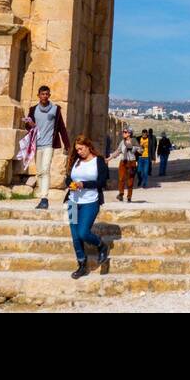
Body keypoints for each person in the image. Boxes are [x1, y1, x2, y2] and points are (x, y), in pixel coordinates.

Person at [63, 134, 110, 279]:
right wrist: (70, 184)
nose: (79, 152)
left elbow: (102, 182)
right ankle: (82, 264)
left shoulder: (98, 161)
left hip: (90, 201)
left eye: (81, 149)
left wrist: (84, 184)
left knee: (83, 233)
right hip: (73, 202)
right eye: (77, 150)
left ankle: (101, 245)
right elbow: (68, 178)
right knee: (75, 237)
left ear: (88, 147)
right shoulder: (75, 161)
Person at [24, 85, 71, 209]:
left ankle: (44, 198)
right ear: (38, 95)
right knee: (39, 172)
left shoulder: (55, 109)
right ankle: (42, 198)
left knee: (45, 170)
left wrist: (67, 145)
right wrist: (30, 125)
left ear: (49, 95)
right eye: (42, 94)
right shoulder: (33, 110)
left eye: (47, 94)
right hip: (36, 145)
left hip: (49, 144)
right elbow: (28, 127)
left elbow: (61, 128)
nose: (44, 96)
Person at [109, 127, 139, 202]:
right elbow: (118, 151)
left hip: (131, 162)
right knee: (121, 178)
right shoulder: (122, 142)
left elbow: (140, 150)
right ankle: (121, 194)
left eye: (125, 132)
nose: (123, 133)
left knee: (130, 180)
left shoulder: (134, 141)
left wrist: (132, 148)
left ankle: (129, 196)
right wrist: (109, 158)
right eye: (123, 132)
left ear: (129, 133)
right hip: (123, 161)